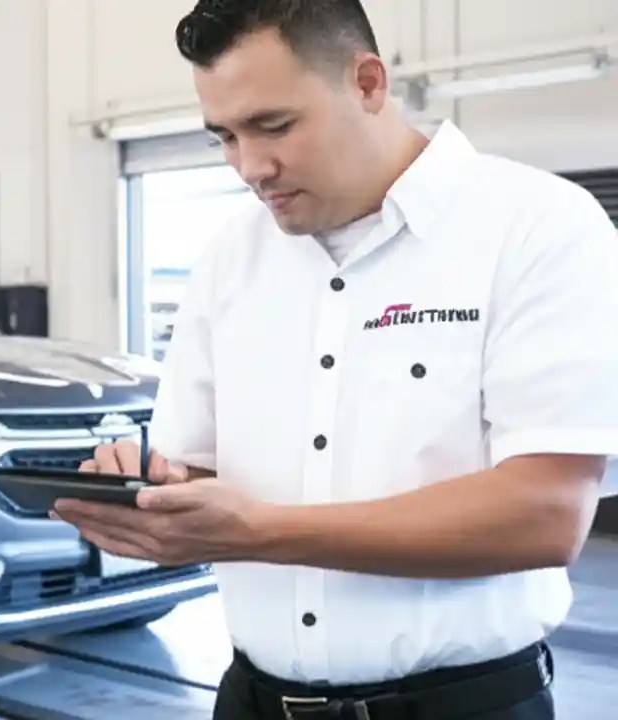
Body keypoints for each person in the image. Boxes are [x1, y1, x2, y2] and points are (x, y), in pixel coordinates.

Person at [51, 1, 618, 718]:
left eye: (273, 125)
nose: (250, 167)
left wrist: (262, 531)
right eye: (224, 136)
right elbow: (195, 470)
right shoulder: (230, 259)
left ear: (368, 83)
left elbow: (545, 513)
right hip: (252, 700)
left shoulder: (536, 228)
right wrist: (154, 496)